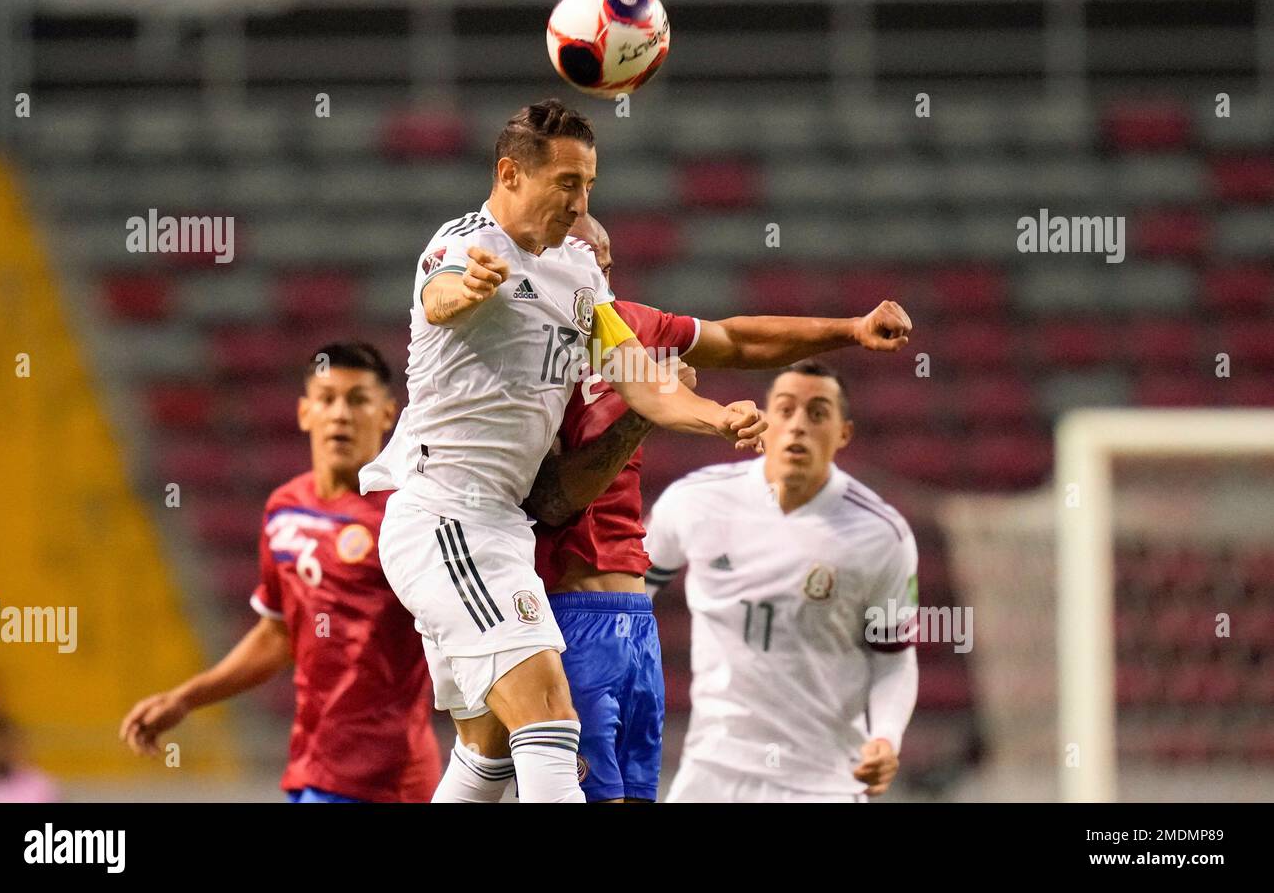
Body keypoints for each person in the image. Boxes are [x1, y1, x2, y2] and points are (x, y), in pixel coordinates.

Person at [360, 98, 766, 803]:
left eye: (589, 187)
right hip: (445, 517)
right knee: (550, 716)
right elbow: (439, 296)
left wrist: (714, 415)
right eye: (567, 184)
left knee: (486, 747)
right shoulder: (466, 243)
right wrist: (467, 289)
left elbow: (641, 378)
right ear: (511, 173)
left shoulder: (579, 274)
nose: (580, 204)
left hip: (501, 528)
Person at [522, 213, 915, 803]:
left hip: (631, 629)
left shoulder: (627, 329)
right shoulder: (523, 350)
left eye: (603, 268)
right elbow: (553, 501)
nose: (596, 281)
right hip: (563, 616)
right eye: (581, 265)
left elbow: (737, 339)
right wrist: (648, 408)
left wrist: (851, 327)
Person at [121, 342, 441, 803]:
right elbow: (277, 634)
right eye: (327, 399)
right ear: (304, 412)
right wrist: (185, 698)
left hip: (386, 776)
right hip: (311, 766)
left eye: (358, 400)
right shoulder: (284, 510)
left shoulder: (407, 515)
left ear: (388, 413)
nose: (340, 415)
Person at [645, 360, 919, 802]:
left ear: (843, 433)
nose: (797, 426)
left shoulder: (881, 535)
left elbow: (893, 658)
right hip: (712, 771)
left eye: (817, 414)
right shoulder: (694, 502)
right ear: (765, 421)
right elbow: (622, 598)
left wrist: (886, 738)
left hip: (823, 780)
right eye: (786, 410)